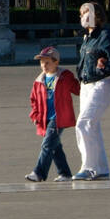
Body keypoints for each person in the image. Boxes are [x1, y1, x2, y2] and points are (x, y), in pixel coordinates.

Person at [72, 1, 110, 180]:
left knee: (83, 123)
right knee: (92, 126)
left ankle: (89, 167)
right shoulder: (87, 37)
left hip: (101, 83)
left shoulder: (104, 36)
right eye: (80, 13)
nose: (81, 16)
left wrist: (105, 66)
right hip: (86, 86)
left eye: (84, 12)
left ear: (95, 15)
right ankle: (101, 169)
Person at [25, 46, 80, 182]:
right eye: (42, 62)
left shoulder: (64, 76)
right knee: (55, 147)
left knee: (47, 145)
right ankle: (65, 174)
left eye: (47, 62)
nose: (44, 65)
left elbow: (78, 89)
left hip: (58, 118)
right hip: (45, 118)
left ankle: (39, 173)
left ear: (56, 62)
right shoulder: (39, 81)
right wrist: (35, 116)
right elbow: (34, 100)